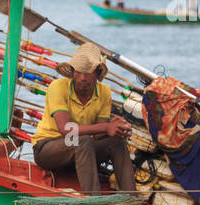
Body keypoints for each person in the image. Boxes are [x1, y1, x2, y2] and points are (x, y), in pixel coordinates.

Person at [31, 43, 136, 196]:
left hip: (80, 152)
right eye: (78, 72)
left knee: (116, 143)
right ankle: (94, 203)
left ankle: (131, 201)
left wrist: (117, 127)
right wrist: (106, 127)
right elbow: (66, 129)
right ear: (72, 72)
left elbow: (99, 135)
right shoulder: (58, 87)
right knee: (82, 140)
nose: (82, 78)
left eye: (88, 73)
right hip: (48, 149)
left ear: (98, 72)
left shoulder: (104, 92)